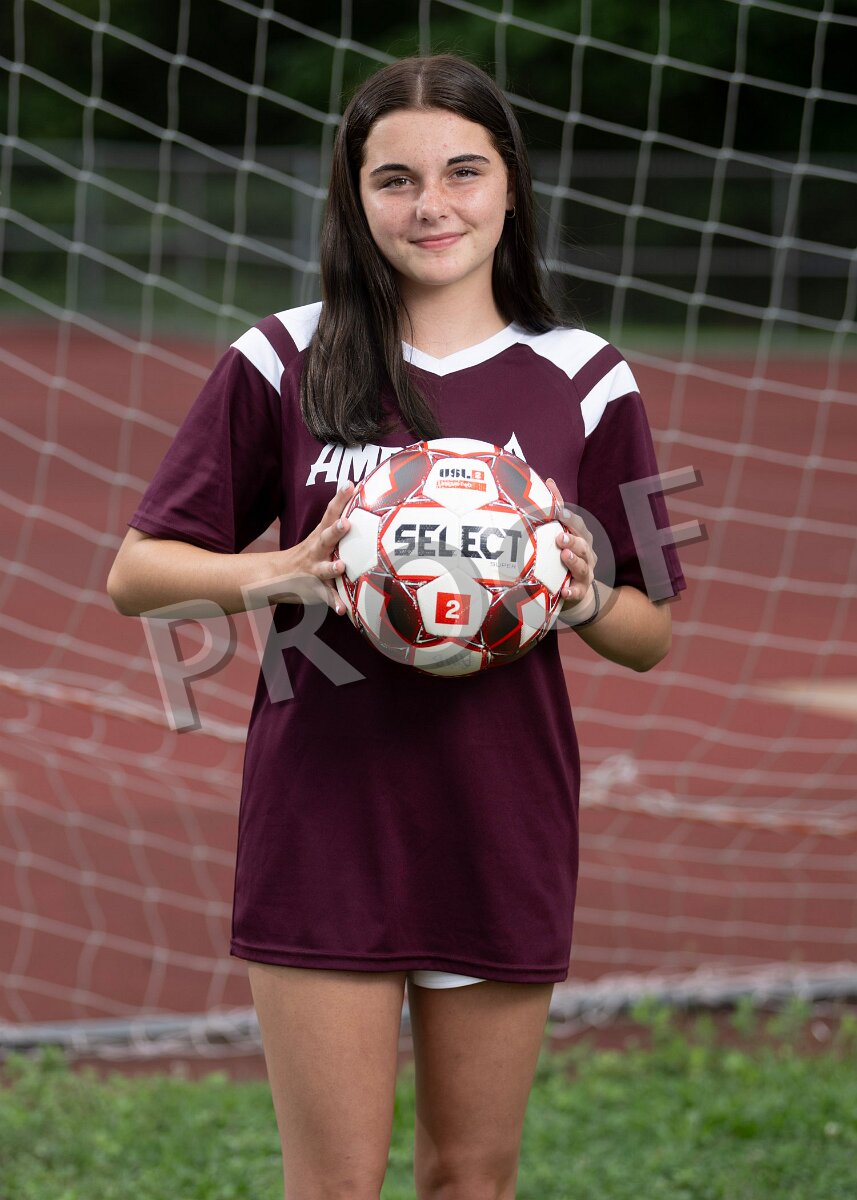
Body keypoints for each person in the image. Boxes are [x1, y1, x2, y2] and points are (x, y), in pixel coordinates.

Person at [107, 53, 686, 1200]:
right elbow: (137, 573)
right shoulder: (284, 355)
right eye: (395, 179)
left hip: (499, 817)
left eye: (463, 172)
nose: (432, 207)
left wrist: (575, 597)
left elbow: (644, 629)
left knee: (469, 1177)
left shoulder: (583, 379)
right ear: (353, 195)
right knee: (332, 1186)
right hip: (324, 819)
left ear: (509, 186)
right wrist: (287, 571)